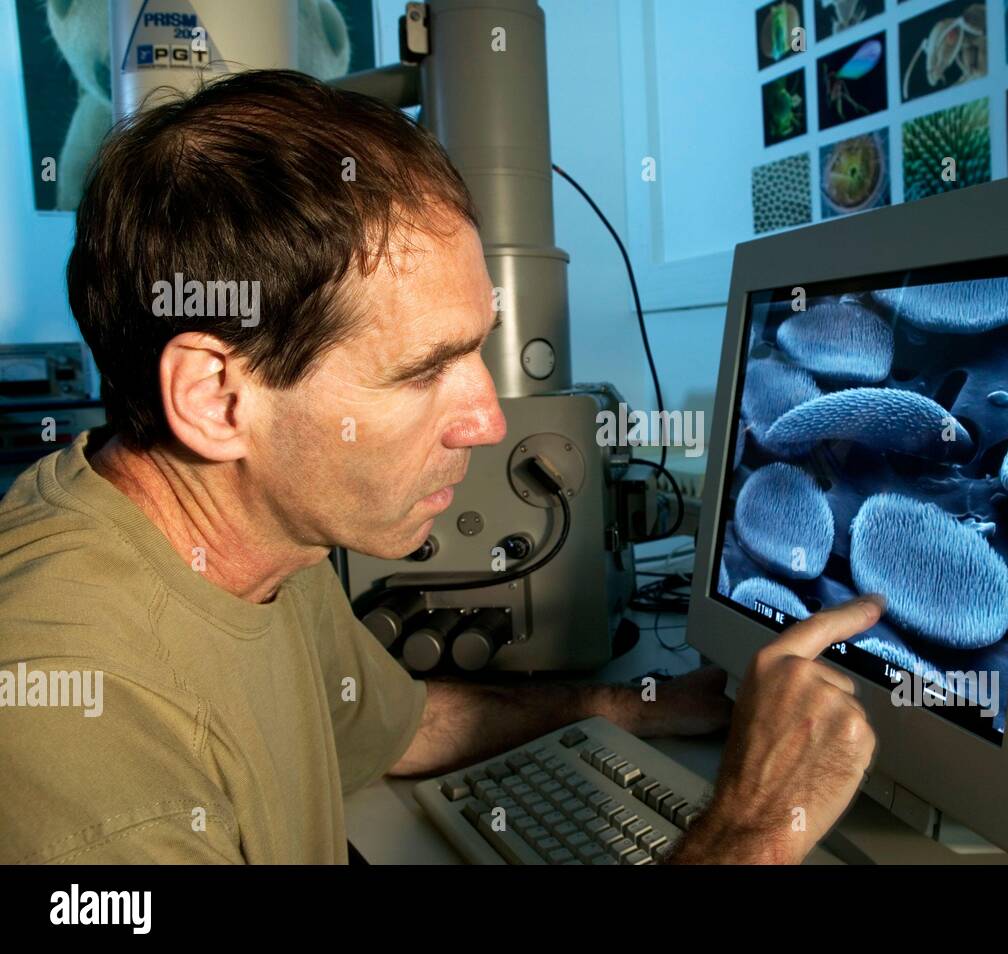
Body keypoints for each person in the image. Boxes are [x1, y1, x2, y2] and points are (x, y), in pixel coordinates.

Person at [0, 70, 881, 864]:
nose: (488, 421)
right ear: (216, 398)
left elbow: (396, 724)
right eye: (423, 371)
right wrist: (758, 832)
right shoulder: (81, 727)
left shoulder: (266, 537)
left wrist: (631, 708)